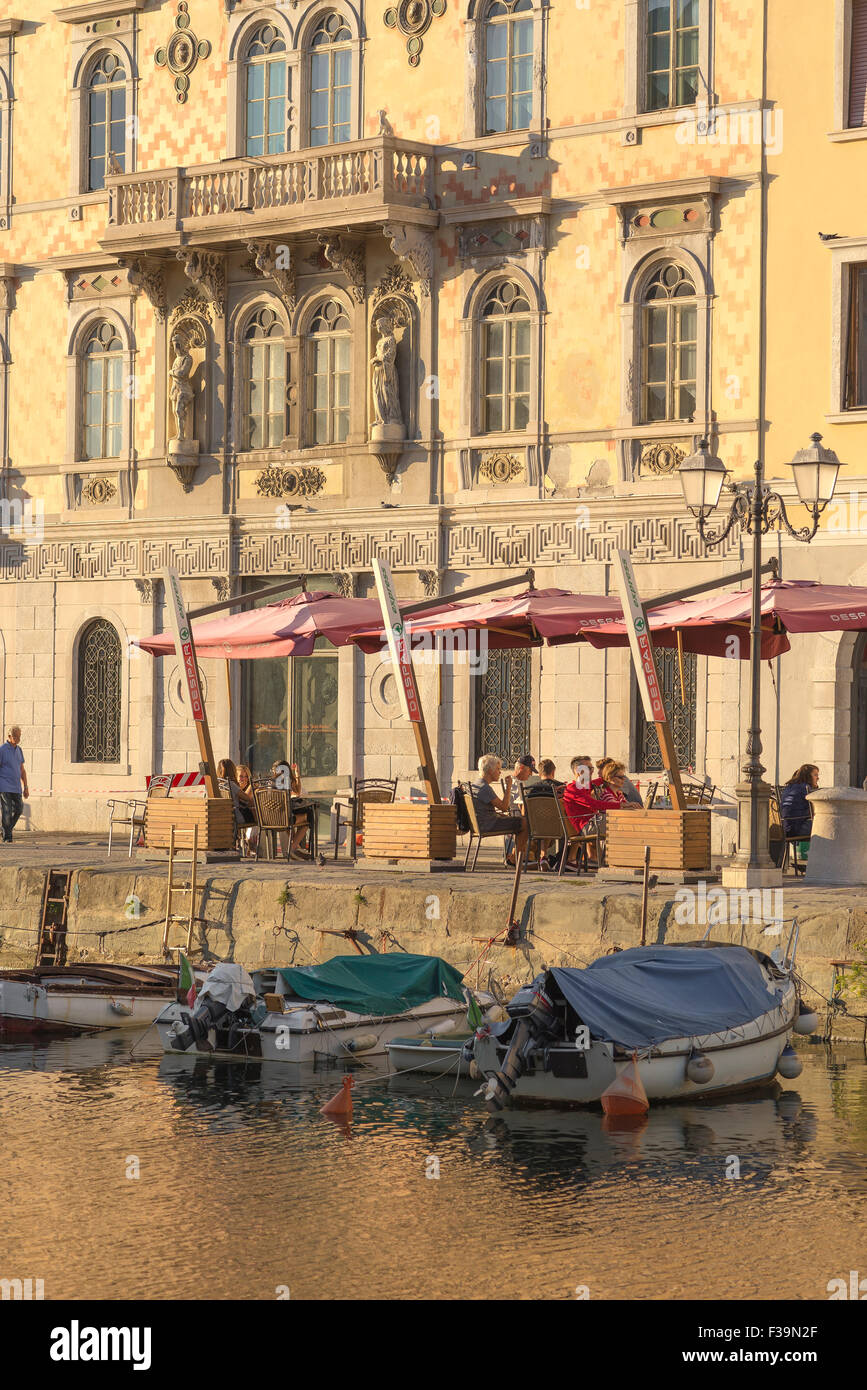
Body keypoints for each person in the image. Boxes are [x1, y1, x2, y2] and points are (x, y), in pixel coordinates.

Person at [472, 753, 528, 862]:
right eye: (498, 769)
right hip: (488, 825)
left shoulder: (477, 784)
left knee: (518, 821)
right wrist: (509, 786)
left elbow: (486, 809)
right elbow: (504, 807)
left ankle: (514, 856)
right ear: (490, 771)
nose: (500, 772)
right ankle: (516, 859)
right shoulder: (485, 788)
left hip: (481, 823)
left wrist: (499, 815)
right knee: (524, 823)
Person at [0, 726, 28, 844]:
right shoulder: (2, 750)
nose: (18, 739)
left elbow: (22, 770)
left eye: (19, 736)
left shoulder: (19, 750)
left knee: (19, 809)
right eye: (16, 736)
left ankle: (6, 830)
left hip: (16, 787)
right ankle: (8, 837)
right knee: (7, 811)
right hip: (4, 786)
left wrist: (26, 787)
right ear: (9, 736)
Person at [780, 764, 818, 838]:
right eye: (815, 775)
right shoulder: (805, 788)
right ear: (808, 776)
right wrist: (815, 788)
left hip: (784, 828)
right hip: (797, 828)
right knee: (827, 825)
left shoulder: (789, 787)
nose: (818, 778)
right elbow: (815, 807)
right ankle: (821, 850)